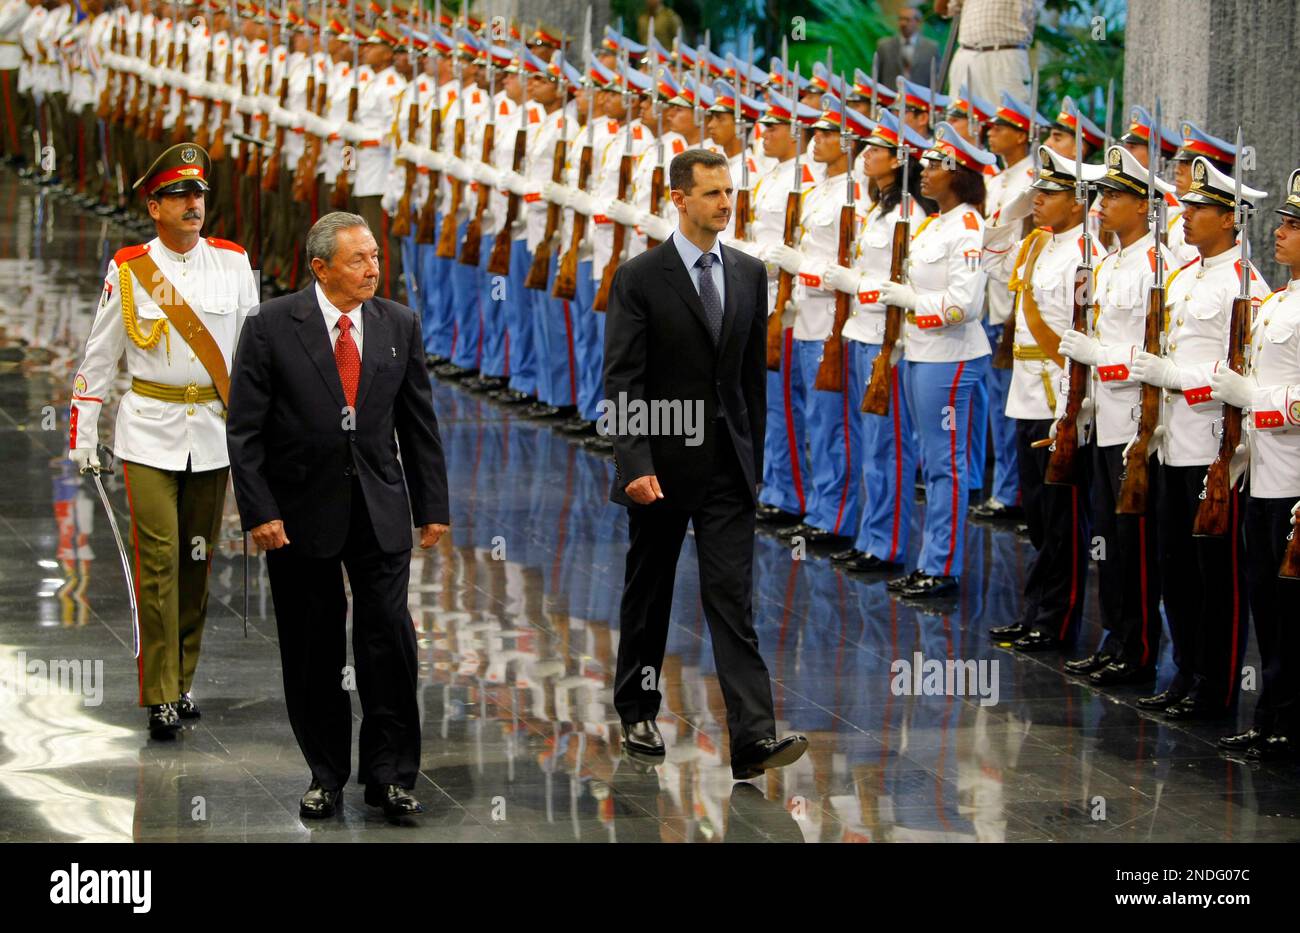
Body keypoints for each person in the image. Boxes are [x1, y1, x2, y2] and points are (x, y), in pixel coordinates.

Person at [226, 211, 450, 819]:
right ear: (320, 267)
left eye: (376, 257)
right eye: (359, 260)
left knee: (388, 641)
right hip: (298, 516)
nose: (373, 269)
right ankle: (326, 772)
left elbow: (419, 425)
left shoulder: (397, 323)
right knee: (312, 648)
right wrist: (259, 512)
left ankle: (392, 775)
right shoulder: (272, 326)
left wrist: (432, 506)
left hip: (380, 510)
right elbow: (244, 431)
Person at [603, 147, 808, 780]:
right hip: (661, 465)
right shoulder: (640, 276)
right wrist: (633, 462)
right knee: (650, 592)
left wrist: (754, 459)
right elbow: (623, 378)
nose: (725, 203)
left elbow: (750, 381)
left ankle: (753, 736)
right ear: (679, 199)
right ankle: (637, 707)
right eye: (713, 193)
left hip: (727, 468)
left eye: (729, 192)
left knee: (732, 600)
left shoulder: (749, 273)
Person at [68, 142, 258, 739]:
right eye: (179, 194)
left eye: (199, 193)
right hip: (147, 430)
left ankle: (182, 678)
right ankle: (158, 694)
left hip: (214, 433)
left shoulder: (232, 263)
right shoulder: (130, 267)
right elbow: (100, 353)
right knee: (158, 559)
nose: (193, 203)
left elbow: (254, 356)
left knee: (196, 562)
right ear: (153, 206)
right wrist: (82, 428)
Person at [1130, 157, 1268, 721]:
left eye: (1200, 209)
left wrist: (1176, 379)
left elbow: (1242, 373)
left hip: (1215, 448)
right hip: (1170, 441)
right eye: (1186, 207)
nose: (1186, 216)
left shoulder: (1248, 286)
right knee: (1176, 567)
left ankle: (1217, 685)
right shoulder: (1185, 277)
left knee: (1219, 578)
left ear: (1231, 219)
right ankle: (1185, 669)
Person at [1059, 145, 1174, 684]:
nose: (1101, 205)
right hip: (1103, 417)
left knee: (1135, 545)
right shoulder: (1106, 264)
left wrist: (1098, 358)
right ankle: (1116, 637)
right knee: (1106, 537)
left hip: (1139, 424)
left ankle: (1142, 647)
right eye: (1101, 194)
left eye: (1114, 196)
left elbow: (1161, 356)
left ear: (1146, 206)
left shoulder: (1161, 266)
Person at [986, 145, 1101, 649]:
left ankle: (1058, 619)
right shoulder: (1034, 244)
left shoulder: (1086, 255)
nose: (1038, 200)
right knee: (1036, 516)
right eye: (1037, 191)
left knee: (1062, 521)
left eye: (1049, 193)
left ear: (1077, 202)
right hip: (1025, 395)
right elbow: (990, 259)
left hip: (1060, 396)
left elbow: (1083, 329)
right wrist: (1011, 212)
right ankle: (1036, 610)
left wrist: (1072, 408)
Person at [881, 122, 996, 599]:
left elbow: (963, 306)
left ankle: (942, 565)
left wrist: (909, 300)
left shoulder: (968, 226)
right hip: (924, 354)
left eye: (936, 165)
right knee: (932, 460)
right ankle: (931, 557)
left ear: (961, 174)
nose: (924, 172)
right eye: (926, 164)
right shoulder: (937, 222)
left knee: (945, 464)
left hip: (950, 357)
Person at [821, 109, 935, 573]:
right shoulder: (878, 208)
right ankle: (870, 533)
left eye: (876, 151)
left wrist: (854, 285)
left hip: (885, 338)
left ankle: (886, 543)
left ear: (898, 159)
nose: (866, 156)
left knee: (888, 445)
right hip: (860, 332)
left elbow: (901, 284)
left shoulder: (910, 214)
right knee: (870, 443)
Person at [1212, 168, 1300, 760]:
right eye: (1285, 223)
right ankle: (1271, 717)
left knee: (1294, 617)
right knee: (1267, 608)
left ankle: (1290, 724)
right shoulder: (1277, 302)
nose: (1281, 233)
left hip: (1296, 483)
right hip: (1264, 475)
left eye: (1294, 227)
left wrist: (1255, 401)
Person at [937, 0, 1042, 103]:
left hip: (1004, 56)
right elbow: (943, 9)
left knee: (1006, 115)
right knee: (959, 114)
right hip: (966, 54)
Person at [876, 3, 939, 90]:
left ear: (918, 23)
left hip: (918, 99)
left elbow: (936, 79)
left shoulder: (931, 48)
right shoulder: (884, 46)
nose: (903, 23)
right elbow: (876, 75)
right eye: (901, 19)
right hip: (889, 98)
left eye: (908, 20)